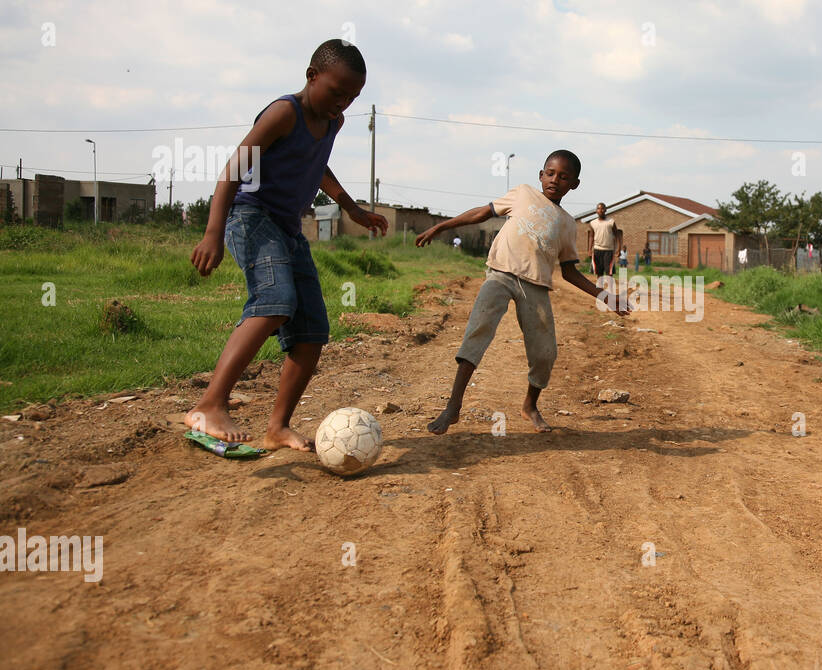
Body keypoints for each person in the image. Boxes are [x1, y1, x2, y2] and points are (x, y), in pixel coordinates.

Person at [187, 39, 388, 448]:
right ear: (311, 76)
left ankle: (277, 427)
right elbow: (232, 171)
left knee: (312, 331)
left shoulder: (334, 122)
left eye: (352, 97)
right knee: (276, 299)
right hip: (251, 216)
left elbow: (317, 166)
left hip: (288, 229)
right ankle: (209, 404)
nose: (343, 103)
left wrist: (352, 208)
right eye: (337, 92)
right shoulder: (284, 113)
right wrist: (213, 232)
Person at [415, 150, 628, 434]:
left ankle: (530, 405)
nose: (555, 180)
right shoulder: (523, 193)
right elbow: (482, 212)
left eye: (564, 177)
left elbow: (569, 271)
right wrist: (442, 226)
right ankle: (453, 406)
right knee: (478, 331)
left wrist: (605, 296)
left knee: (545, 353)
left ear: (574, 184)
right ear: (541, 175)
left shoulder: (566, 223)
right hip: (500, 274)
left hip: (536, 286)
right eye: (550, 173)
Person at [587, 202, 620, 285]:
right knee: (599, 273)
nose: (600, 210)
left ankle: (610, 292)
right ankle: (600, 292)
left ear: (605, 210)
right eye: (598, 208)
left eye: (602, 208)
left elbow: (617, 236)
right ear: (596, 211)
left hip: (608, 250)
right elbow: (591, 236)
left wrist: (618, 248)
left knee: (609, 273)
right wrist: (589, 249)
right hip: (597, 250)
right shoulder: (593, 223)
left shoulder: (611, 222)